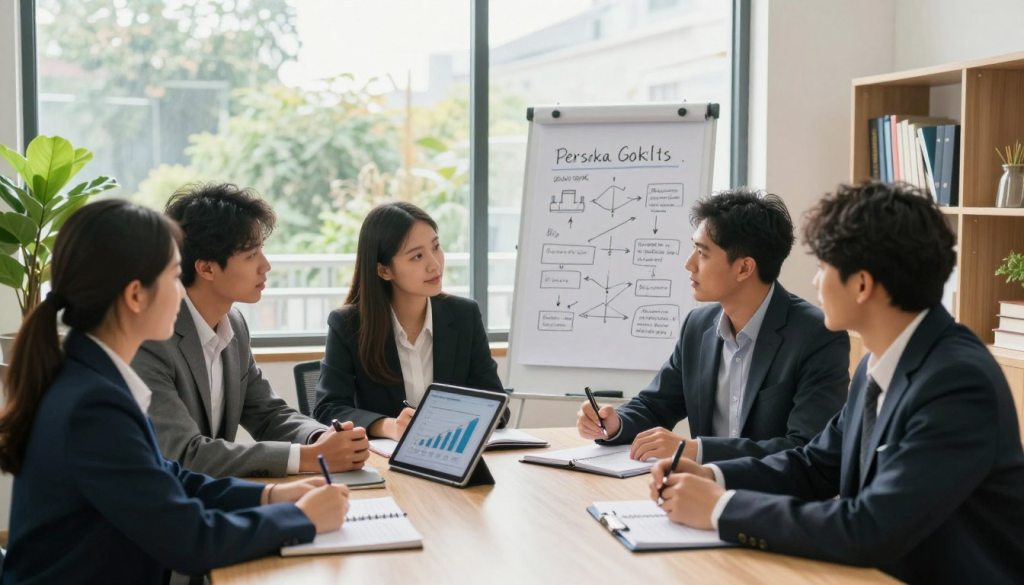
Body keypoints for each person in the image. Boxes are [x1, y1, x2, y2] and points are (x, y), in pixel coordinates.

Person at [649, 182, 1024, 583]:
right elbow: (814, 465)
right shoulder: (879, 362)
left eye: (822, 268)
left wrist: (720, 508)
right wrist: (712, 476)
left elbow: (870, 527)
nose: (814, 284)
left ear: (862, 285)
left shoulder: (956, 382)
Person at [0, 199, 349, 585]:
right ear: (135, 296)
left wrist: (271, 497)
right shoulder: (93, 405)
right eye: (172, 276)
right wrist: (301, 518)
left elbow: (170, 477)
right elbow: (191, 540)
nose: (182, 292)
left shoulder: (91, 379)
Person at [577, 189, 849, 464]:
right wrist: (615, 424)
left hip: (773, 501)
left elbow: (807, 449)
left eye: (702, 253)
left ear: (744, 268)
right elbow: (655, 406)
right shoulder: (699, 326)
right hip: (700, 493)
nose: (689, 264)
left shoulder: (817, 335)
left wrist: (698, 450)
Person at [131, 183, 368, 478]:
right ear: (206, 269)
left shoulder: (234, 324)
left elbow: (268, 414)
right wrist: (308, 457)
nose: (265, 266)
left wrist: (321, 439)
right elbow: (182, 453)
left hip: (211, 497)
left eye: (262, 251)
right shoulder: (152, 340)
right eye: (251, 254)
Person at [314, 202, 509, 439]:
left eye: (436, 247)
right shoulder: (348, 324)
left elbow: (498, 406)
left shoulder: (464, 315)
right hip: (381, 461)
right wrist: (388, 426)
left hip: (450, 452)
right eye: (417, 256)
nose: (434, 264)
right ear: (385, 271)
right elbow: (328, 409)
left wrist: (447, 420)